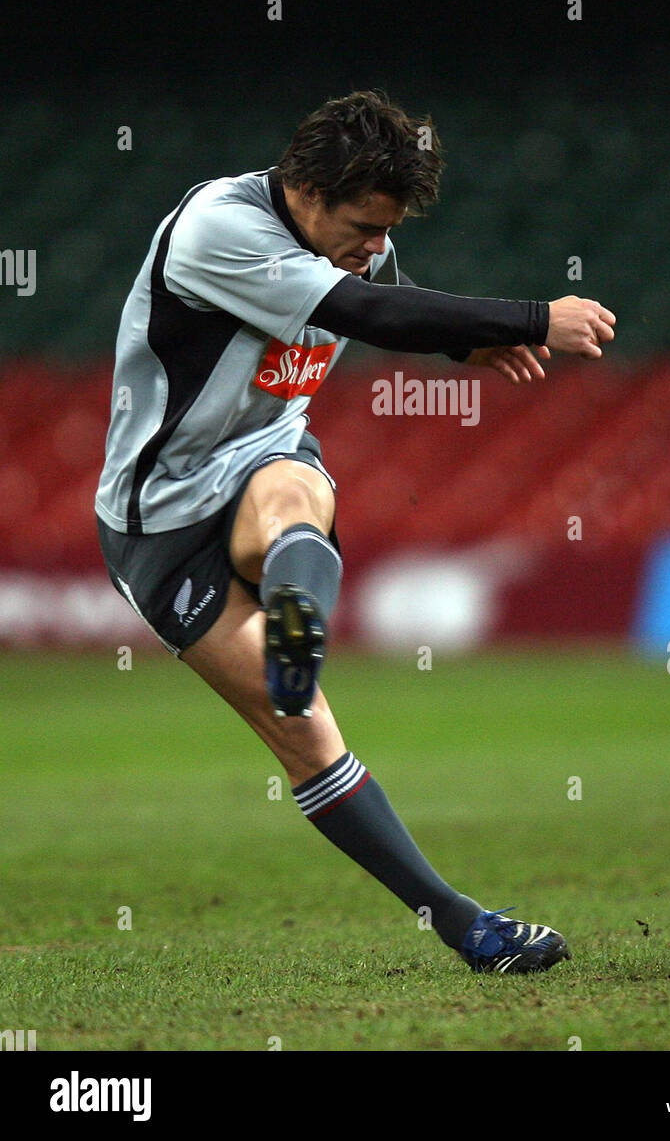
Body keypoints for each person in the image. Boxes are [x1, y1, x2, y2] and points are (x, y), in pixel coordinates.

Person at [95, 89, 616, 973]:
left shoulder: (353, 236)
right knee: (301, 733)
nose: (375, 247)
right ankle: (452, 912)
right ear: (303, 189)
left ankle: (471, 930)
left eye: (384, 231)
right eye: (364, 228)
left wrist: (464, 347)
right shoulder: (219, 230)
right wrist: (531, 318)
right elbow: (365, 313)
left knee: (291, 495)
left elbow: (386, 293)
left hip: (265, 453)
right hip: (159, 516)